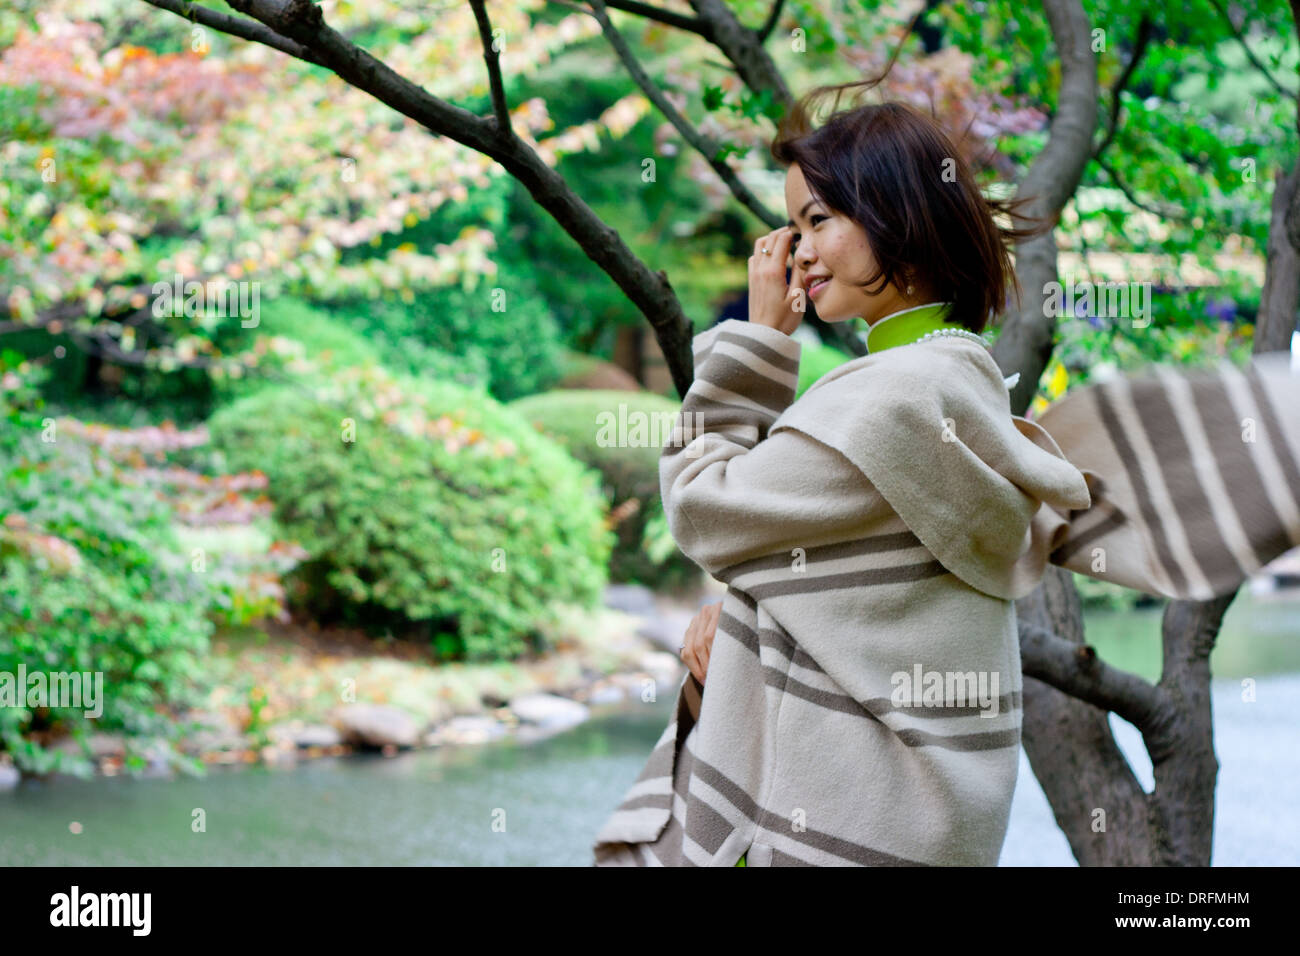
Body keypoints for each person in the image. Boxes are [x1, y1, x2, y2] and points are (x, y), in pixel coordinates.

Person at [592, 85, 1300, 867]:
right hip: (918, 824)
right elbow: (849, 581)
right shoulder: (962, 385)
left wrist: (758, 344)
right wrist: (740, 604)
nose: (796, 252)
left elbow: (701, 508)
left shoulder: (886, 399)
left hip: (833, 817)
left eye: (818, 221)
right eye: (794, 227)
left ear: (898, 216)